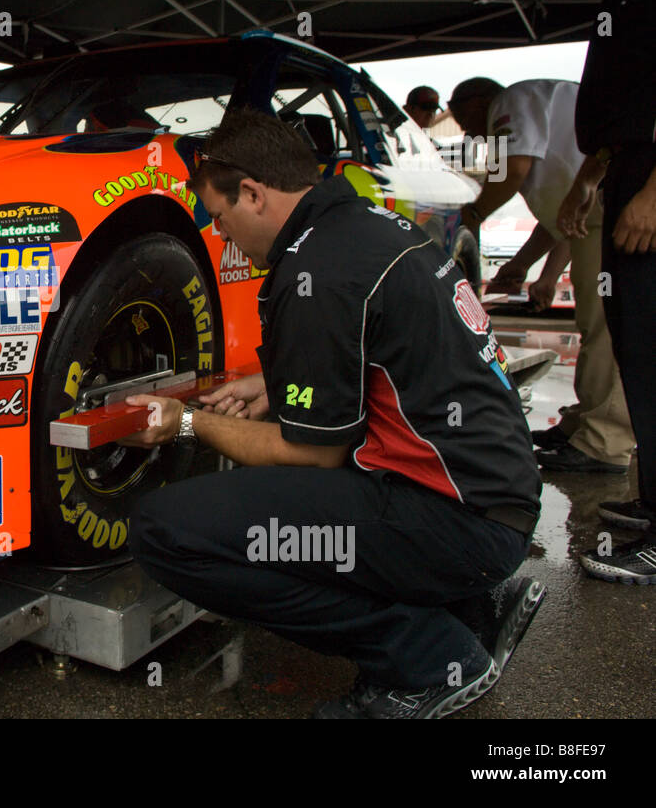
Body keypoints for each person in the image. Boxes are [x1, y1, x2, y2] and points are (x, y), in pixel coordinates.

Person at [124, 110, 545, 719]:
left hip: (455, 521)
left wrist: (186, 423)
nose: (221, 236)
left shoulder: (316, 270)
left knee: (163, 531)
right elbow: (382, 349)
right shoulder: (366, 228)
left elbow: (314, 454)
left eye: (220, 218)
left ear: (253, 193)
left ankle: (424, 658)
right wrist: (275, 382)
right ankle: (470, 607)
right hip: (491, 499)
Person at [448, 76, 633, 475]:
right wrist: (526, 267)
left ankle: (604, 443)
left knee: (606, 327)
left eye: (463, 119)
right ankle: (583, 425)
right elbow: (566, 221)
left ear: (478, 102)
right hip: (594, 218)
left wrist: (472, 214)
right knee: (592, 324)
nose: (467, 132)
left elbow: (512, 171)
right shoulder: (545, 119)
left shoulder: (513, 101)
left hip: (611, 211)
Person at [561, 0, 656, 582]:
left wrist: (654, 192)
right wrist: (590, 178)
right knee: (635, 348)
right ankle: (652, 503)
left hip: (651, 180)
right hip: (623, 170)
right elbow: (624, 98)